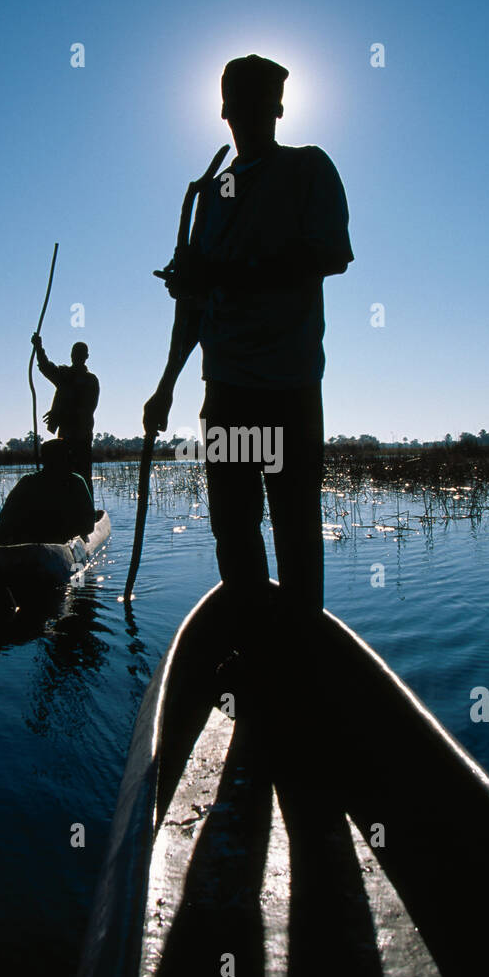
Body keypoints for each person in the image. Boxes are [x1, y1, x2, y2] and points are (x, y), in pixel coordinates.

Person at [144, 53, 353, 670]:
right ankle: (257, 652)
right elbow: (194, 305)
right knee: (234, 532)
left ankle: (301, 658)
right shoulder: (212, 197)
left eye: (263, 101)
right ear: (225, 109)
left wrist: (224, 273)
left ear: (280, 108)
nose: (249, 113)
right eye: (239, 101)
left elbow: (330, 255)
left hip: (288, 389)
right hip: (227, 390)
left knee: (294, 528)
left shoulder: (307, 168)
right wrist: (165, 386)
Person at [0, 439, 95, 545]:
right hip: (35, 537)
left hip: (50, 537)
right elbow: (88, 525)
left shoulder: (75, 482)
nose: (71, 460)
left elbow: (88, 525)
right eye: (66, 457)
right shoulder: (76, 481)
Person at [31, 336, 99, 493]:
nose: (76, 356)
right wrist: (39, 348)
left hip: (82, 436)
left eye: (80, 353)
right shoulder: (64, 376)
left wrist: (60, 414)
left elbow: (87, 409)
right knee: (63, 474)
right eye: (74, 353)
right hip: (65, 436)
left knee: (83, 475)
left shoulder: (91, 381)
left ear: (86, 357)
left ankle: (86, 510)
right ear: (71, 355)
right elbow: (46, 367)